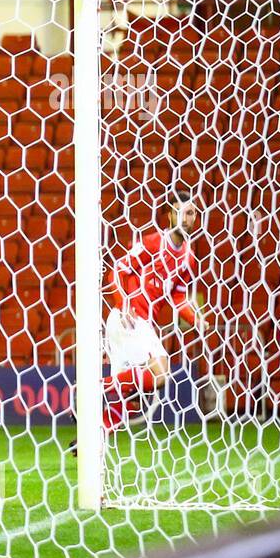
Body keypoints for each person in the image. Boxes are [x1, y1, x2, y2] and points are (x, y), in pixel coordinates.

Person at [75, 190, 206, 454]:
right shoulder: (153, 242)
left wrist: (196, 319)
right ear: (170, 214)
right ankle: (92, 390)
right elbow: (119, 270)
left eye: (191, 212)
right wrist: (123, 303)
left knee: (130, 398)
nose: (187, 217)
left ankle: (91, 440)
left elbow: (178, 295)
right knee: (160, 373)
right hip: (130, 318)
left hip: (138, 323)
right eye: (181, 211)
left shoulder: (188, 258)